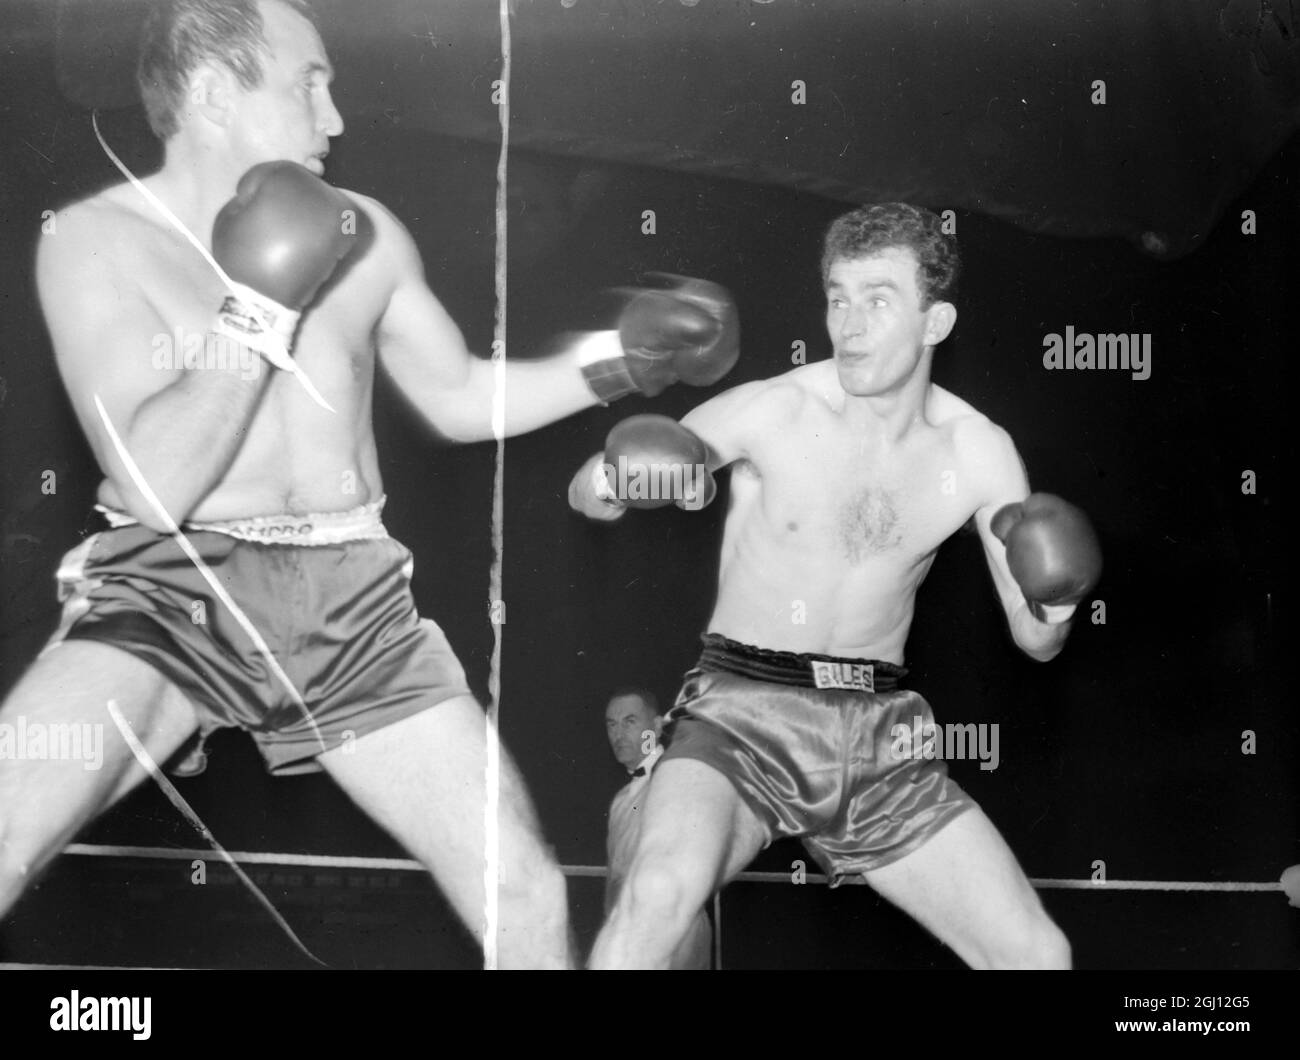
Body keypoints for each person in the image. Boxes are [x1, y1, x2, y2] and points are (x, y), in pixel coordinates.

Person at [0, 0, 738, 969]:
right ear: (214, 93)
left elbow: (461, 394)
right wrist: (258, 303)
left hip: (351, 600)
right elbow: (152, 486)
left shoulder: (368, 234)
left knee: (524, 889)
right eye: (308, 82)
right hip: (171, 587)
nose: (335, 115)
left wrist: (623, 359)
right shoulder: (95, 242)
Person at [570, 202, 1103, 970]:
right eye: (837, 297)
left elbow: (1036, 641)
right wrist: (617, 477)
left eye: (878, 300)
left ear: (936, 322)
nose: (848, 325)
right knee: (658, 894)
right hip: (739, 712)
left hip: (880, 733)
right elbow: (585, 494)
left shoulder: (980, 453)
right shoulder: (775, 409)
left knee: (1037, 955)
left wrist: (1055, 599)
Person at [603, 688, 710, 970]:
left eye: (629, 721)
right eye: (611, 724)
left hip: (674, 938)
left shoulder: (680, 778)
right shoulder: (620, 801)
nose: (618, 734)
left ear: (657, 726)